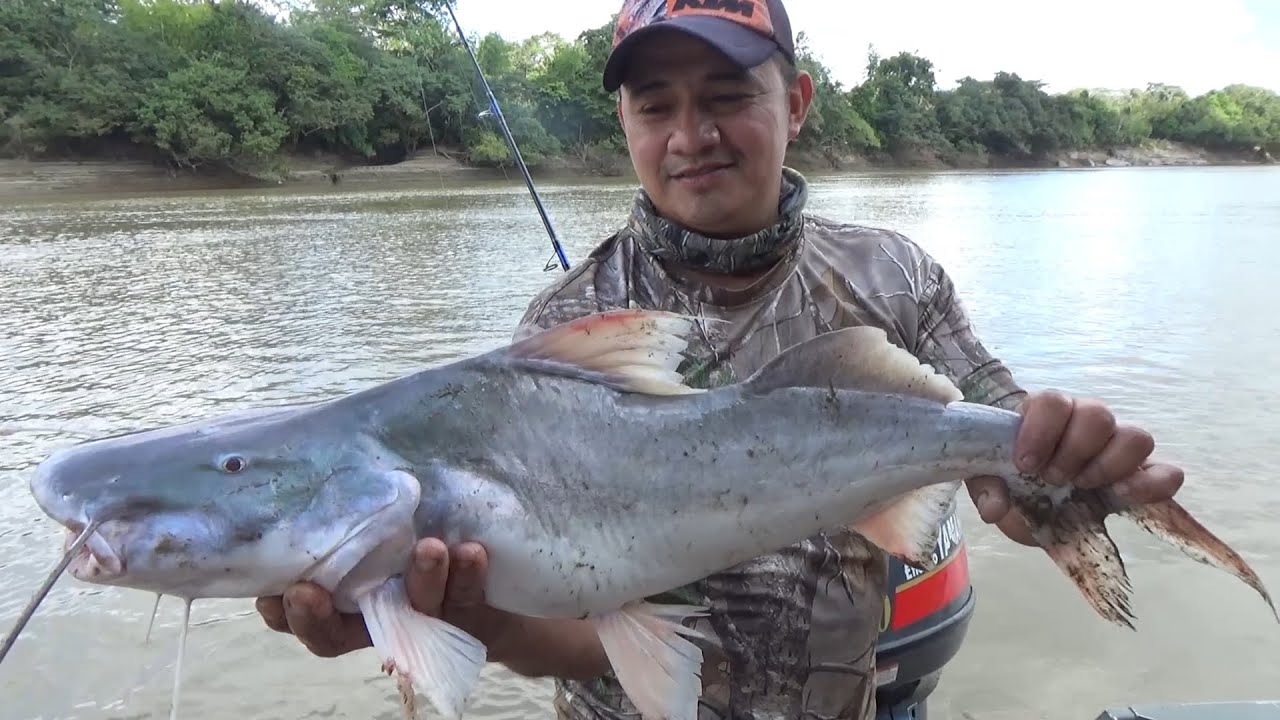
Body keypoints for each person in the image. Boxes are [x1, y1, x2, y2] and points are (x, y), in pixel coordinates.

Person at [255, 0, 1186, 717]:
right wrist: (464, 617)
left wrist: (1060, 471)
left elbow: (1003, 437)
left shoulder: (892, 276)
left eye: (728, 97)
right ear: (624, 121)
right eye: (655, 105)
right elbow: (563, 629)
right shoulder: (567, 326)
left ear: (798, 103)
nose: (690, 136)